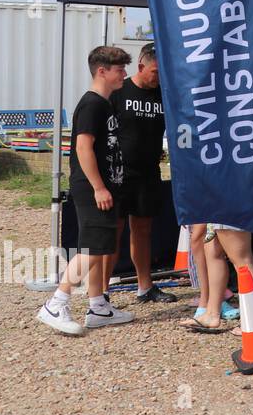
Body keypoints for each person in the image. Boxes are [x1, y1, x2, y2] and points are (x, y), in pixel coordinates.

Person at [36, 46, 134, 335]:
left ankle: (98, 307)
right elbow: (82, 147)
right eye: (119, 69)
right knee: (92, 249)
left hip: (105, 187)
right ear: (101, 71)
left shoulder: (105, 103)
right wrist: (99, 187)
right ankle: (56, 303)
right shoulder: (92, 104)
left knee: (101, 246)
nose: (124, 75)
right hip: (93, 188)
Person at [108, 43, 175, 304]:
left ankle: (145, 287)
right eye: (156, 72)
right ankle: (101, 292)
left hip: (148, 173)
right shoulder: (119, 92)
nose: (159, 78)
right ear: (141, 67)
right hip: (119, 175)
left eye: (163, 73)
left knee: (143, 229)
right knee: (113, 231)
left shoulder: (164, 95)